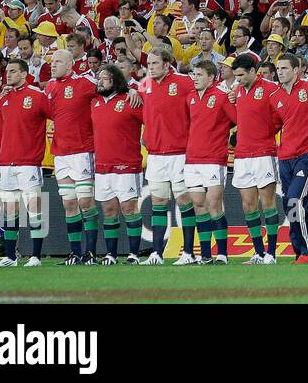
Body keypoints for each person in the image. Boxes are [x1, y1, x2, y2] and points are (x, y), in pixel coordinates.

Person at [0, 60, 51, 267]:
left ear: (24, 74)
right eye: (6, 72)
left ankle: (36, 256)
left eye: (13, 71)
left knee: (34, 210)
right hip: (5, 164)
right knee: (10, 212)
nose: (7, 75)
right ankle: (11, 257)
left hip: (29, 163)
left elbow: (57, 116)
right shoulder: (4, 100)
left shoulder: (37, 96)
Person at [44, 49, 106, 265]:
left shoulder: (85, 84)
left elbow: (110, 91)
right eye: (52, 62)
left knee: (86, 202)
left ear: (70, 65)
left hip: (82, 151)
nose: (53, 65)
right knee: (69, 204)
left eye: (58, 61)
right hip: (60, 153)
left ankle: (90, 253)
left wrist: (134, 91)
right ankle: (75, 253)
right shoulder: (50, 86)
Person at [139, 47, 196, 265]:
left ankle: (188, 252)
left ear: (167, 64)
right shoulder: (145, 84)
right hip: (155, 154)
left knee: (184, 201)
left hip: (180, 152)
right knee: (158, 203)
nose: (150, 68)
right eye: (148, 64)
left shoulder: (184, 82)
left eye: (154, 64)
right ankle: (157, 253)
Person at [271, 53, 308, 263]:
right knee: (291, 203)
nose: (281, 72)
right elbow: (274, 125)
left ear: (297, 70)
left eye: (285, 68)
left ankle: (307, 251)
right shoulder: (275, 96)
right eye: (279, 69)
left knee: (295, 199)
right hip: (284, 155)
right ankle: (300, 251)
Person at [90, 64, 146, 265]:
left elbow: (151, 118)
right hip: (102, 166)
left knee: (129, 208)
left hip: (127, 164)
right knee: (109, 211)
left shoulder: (131, 100)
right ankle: (111, 255)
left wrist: (133, 89)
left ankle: (133, 254)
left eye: (105, 78)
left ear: (116, 80)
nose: (100, 81)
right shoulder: (94, 102)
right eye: (99, 77)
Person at [229, 54, 283, 265]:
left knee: (268, 202)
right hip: (242, 155)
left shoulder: (270, 89)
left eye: (241, 75)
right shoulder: (238, 91)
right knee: (248, 204)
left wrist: (265, 132)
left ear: (253, 71)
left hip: (264, 153)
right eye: (236, 76)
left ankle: (271, 253)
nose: (238, 79)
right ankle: (258, 253)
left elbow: (281, 117)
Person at [184, 59, 237, 264]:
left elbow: (238, 120)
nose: (195, 79)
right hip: (192, 160)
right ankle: (205, 255)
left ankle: (222, 253)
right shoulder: (189, 98)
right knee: (199, 205)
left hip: (214, 159)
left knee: (214, 204)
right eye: (193, 75)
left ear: (211, 78)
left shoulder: (222, 97)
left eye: (199, 75)